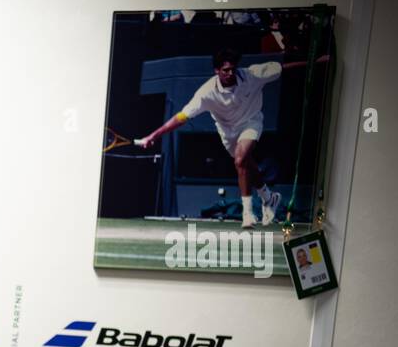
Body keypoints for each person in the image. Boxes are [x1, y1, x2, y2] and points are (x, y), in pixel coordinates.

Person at [136, 47, 329, 229]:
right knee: (246, 165)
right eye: (226, 70)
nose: (230, 73)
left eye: (233, 69)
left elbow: (285, 69)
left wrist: (317, 62)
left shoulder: (253, 74)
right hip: (227, 133)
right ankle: (268, 197)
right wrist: (153, 136)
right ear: (217, 71)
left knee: (240, 159)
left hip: (251, 122)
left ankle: (248, 214)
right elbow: (181, 117)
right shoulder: (206, 93)